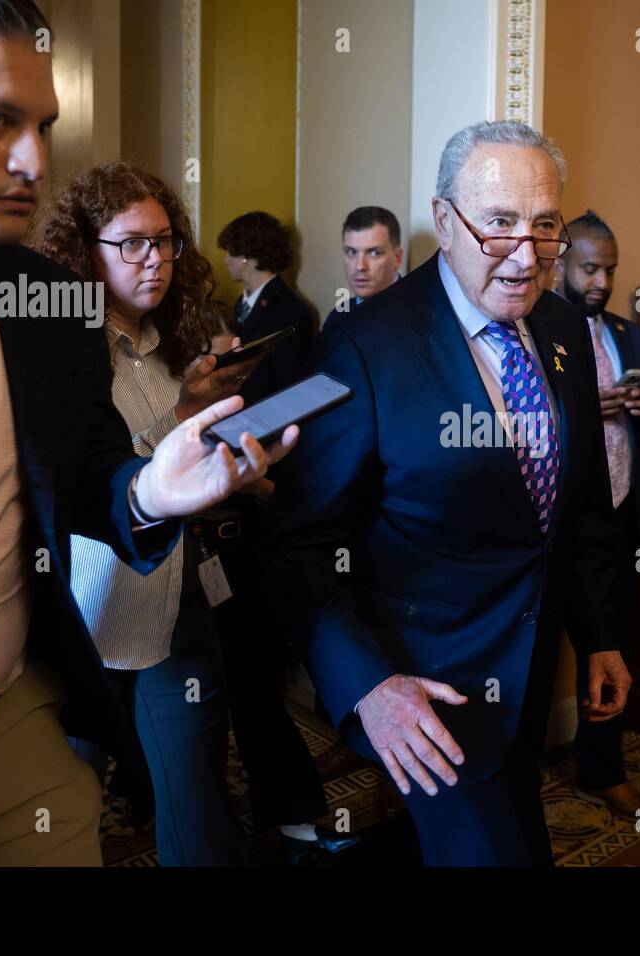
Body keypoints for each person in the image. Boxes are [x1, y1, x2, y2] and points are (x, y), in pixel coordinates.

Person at [0, 0, 294, 866]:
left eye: (42, 125)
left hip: (14, 724)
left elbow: (85, 471)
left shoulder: (47, 300)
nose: (33, 161)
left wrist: (152, 490)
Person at [263, 120, 631, 867]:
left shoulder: (561, 327)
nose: (526, 258)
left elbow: (580, 505)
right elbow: (299, 545)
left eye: (544, 226)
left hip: (530, 678)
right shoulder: (366, 345)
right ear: (445, 221)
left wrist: (600, 636)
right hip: (426, 689)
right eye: (498, 225)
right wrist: (369, 686)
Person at [27, 161, 262, 866]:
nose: (153, 260)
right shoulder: (59, 348)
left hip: (172, 593)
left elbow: (169, 468)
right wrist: (179, 429)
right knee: (63, 811)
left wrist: (205, 422)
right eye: (130, 243)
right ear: (84, 253)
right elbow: (84, 482)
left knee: (197, 798)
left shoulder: (172, 343)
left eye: (164, 242)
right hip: (87, 608)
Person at [214, 214, 361, 865]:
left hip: (265, 499)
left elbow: (296, 405)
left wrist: (266, 481)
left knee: (252, 670)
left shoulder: (291, 313)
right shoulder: (244, 309)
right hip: (221, 510)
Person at [555, 209, 640, 818]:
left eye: (609, 269)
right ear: (559, 263)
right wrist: (577, 408)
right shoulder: (536, 333)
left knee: (611, 650)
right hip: (554, 526)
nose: (601, 282)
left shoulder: (631, 336)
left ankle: (601, 769)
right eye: (588, 268)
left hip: (621, 519)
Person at [218, 211, 316, 407]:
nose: (225, 260)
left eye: (230, 252)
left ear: (245, 254)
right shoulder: (242, 303)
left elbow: (287, 387)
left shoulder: (290, 311)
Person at [322, 205, 403, 333]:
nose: (360, 266)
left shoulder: (419, 315)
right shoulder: (338, 316)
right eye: (351, 252)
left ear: (397, 258)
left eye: (374, 253)